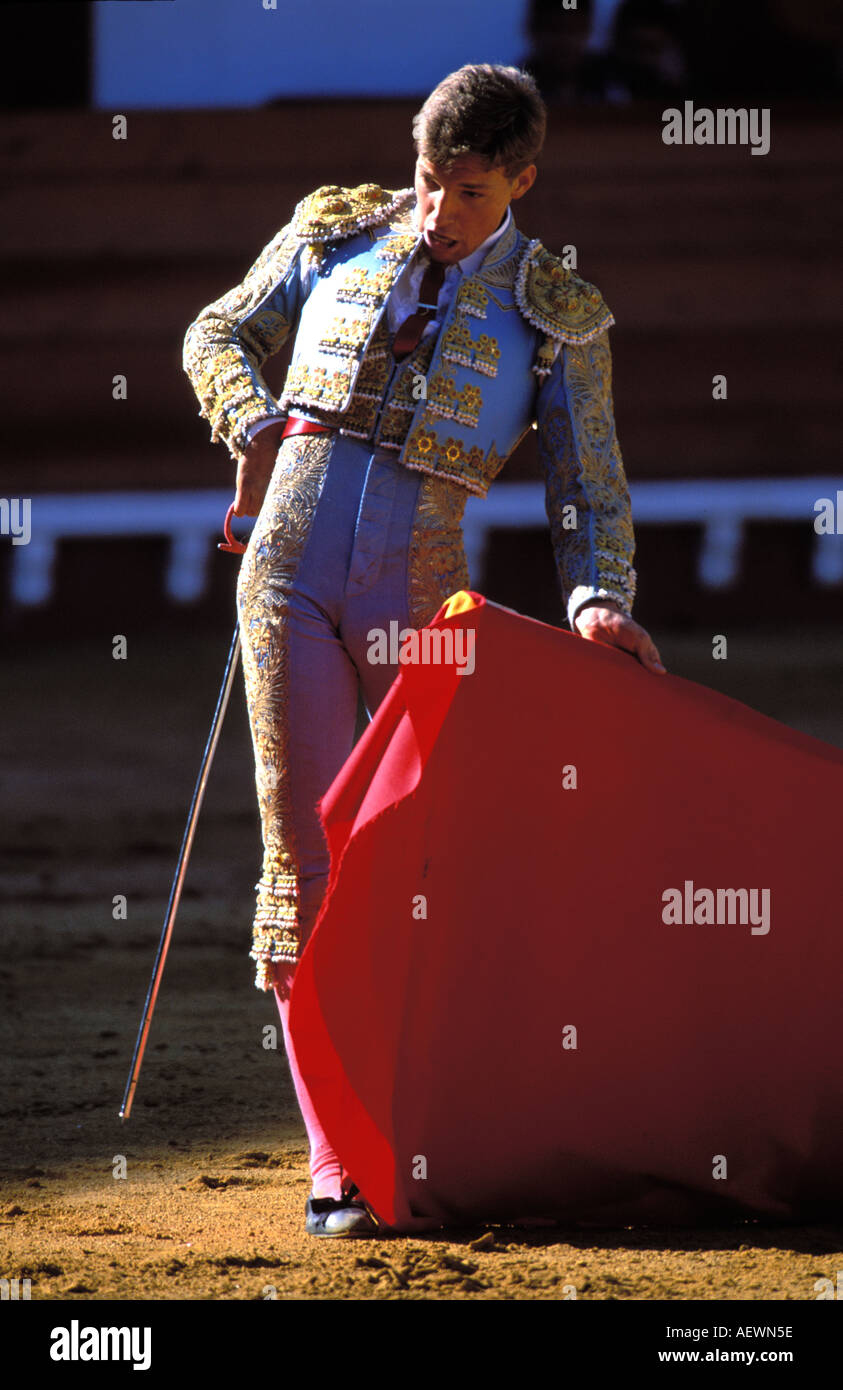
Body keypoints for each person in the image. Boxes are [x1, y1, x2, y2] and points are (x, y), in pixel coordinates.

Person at [182, 62, 665, 1238]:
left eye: (466, 189)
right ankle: (339, 1160)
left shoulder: (558, 313)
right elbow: (217, 330)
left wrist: (598, 596)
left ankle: (437, 1122)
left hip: (418, 598)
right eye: (427, 179)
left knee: (416, 865)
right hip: (286, 573)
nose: (437, 210)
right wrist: (252, 429)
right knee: (304, 862)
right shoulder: (332, 231)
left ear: (520, 180)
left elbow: (586, 483)